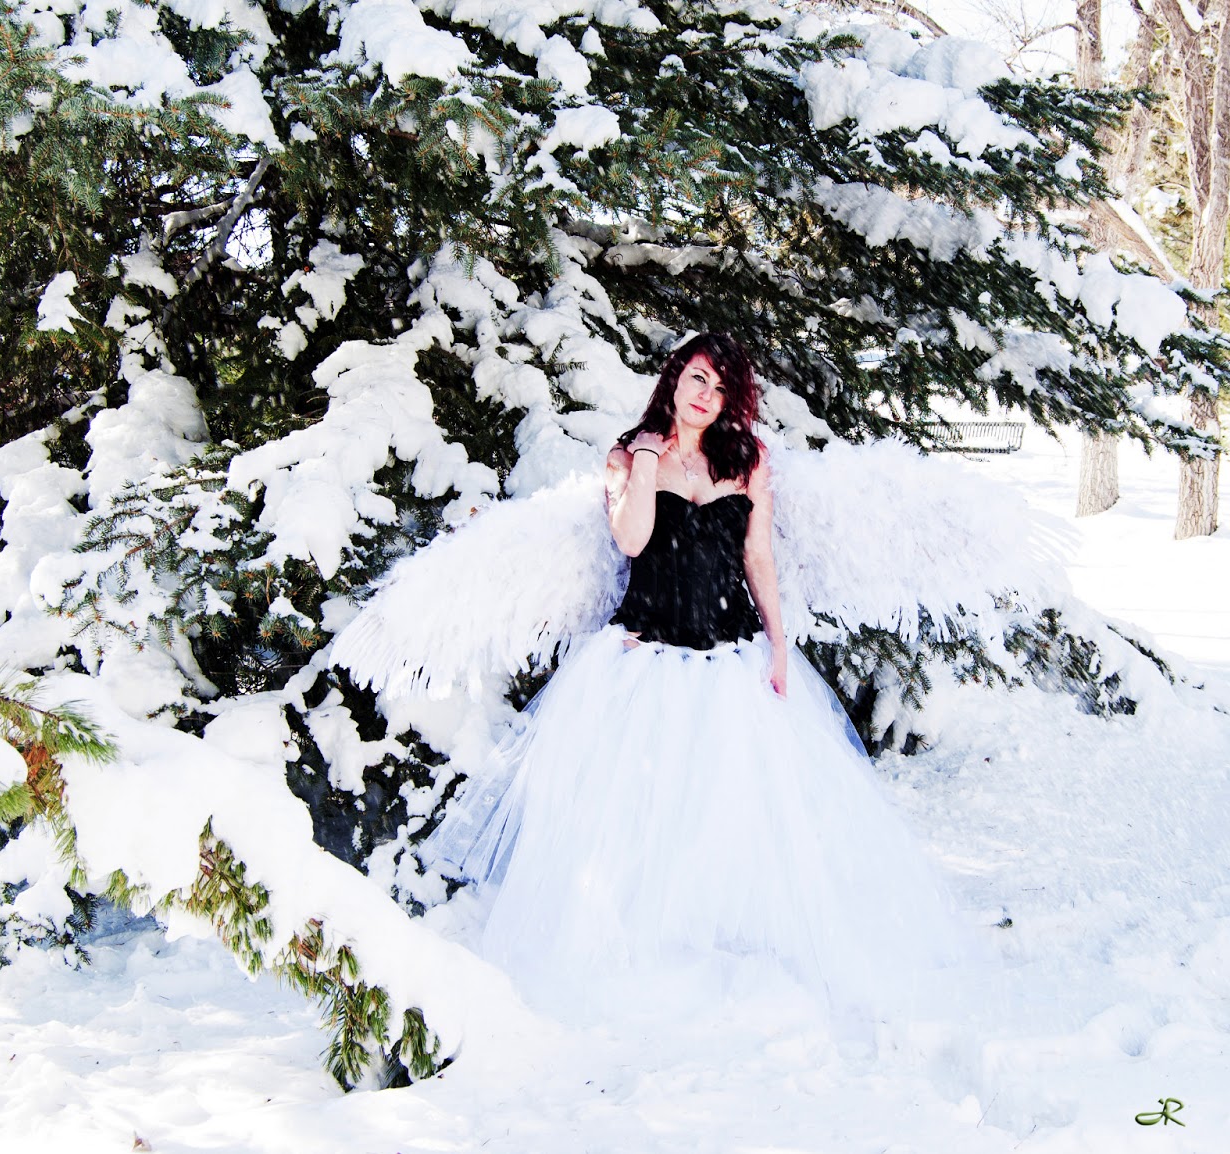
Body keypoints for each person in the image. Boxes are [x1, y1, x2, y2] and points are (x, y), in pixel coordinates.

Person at [419, 333, 983, 1023]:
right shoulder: (629, 455)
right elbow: (629, 540)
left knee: (732, 802)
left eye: (717, 386)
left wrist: (779, 646)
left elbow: (759, 560)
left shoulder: (747, 461)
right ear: (674, 379)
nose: (703, 394)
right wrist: (651, 459)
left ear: (728, 400)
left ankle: (724, 941)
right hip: (643, 659)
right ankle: (641, 952)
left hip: (731, 659)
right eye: (695, 377)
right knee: (639, 811)